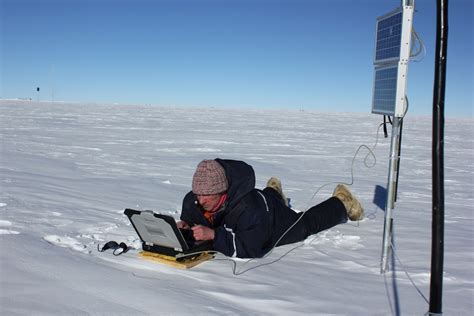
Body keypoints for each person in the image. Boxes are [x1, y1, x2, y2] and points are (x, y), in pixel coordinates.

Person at [177, 158, 363, 258]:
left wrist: (214, 235)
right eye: (197, 194)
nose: (200, 200)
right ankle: (273, 191)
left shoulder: (249, 210)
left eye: (206, 196)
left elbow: (250, 248)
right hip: (261, 203)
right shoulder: (192, 199)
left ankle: (341, 201)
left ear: (222, 191)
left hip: (270, 221)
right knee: (267, 199)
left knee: (305, 225)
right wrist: (185, 225)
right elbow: (194, 217)